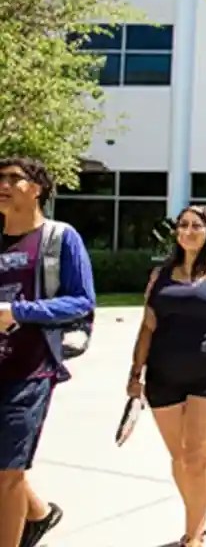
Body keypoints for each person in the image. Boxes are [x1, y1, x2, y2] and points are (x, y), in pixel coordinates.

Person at [126, 204, 206, 546]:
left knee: (198, 458)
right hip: (163, 375)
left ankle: (193, 537)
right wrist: (135, 372)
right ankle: (201, 512)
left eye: (196, 226)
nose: (187, 231)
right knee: (180, 459)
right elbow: (147, 326)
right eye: (182, 225)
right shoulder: (161, 275)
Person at [0, 157, 95, 547]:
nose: (2, 184)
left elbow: (83, 302)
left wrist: (18, 311)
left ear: (37, 188)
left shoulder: (60, 237)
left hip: (31, 369)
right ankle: (39, 515)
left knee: (8, 473)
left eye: (12, 178)